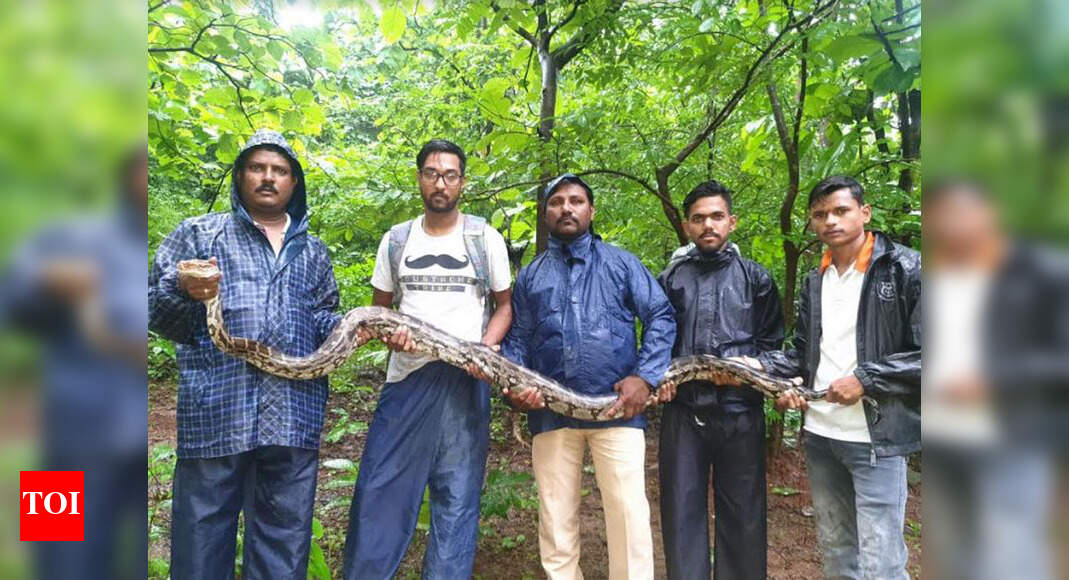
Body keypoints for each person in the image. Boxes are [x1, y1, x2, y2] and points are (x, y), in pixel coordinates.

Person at [149, 129, 341, 579]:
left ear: (294, 183)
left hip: (293, 414)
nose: (268, 178)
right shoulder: (199, 233)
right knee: (201, 538)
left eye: (280, 170)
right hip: (216, 410)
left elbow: (325, 319)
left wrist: (364, 329)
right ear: (240, 177)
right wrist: (181, 288)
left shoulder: (313, 251)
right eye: (258, 168)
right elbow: (153, 310)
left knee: (284, 541)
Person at [342, 139, 513, 580]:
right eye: (432, 173)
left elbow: (505, 306)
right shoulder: (397, 239)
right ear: (419, 178)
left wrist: (487, 348)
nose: (441, 183)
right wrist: (390, 335)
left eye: (450, 175)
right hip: (407, 378)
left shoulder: (483, 238)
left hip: (465, 379)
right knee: (380, 490)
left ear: (462, 182)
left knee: (457, 497)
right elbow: (379, 311)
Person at [502, 173, 676, 580]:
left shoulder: (621, 263)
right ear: (545, 214)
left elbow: (660, 316)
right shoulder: (531, 275)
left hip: (618, 409)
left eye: (576, 200)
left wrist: (645, 376)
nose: (567, 208)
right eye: (557, 201)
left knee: (629, 515)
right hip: (550, 414)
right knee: (555, 519)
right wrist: (516, 388)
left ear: (591, 211)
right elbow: (517, 340)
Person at [748, 175, 921, 580]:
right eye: (820, 214)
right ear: (811, 223)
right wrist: (765, 372)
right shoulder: (816, 279)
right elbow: (803, 353)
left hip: (876, 436)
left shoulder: (907, 269)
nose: (831, 221)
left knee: (882, 562)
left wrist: (866, 379)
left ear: (864, 212)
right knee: (837, 552)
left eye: (841, 210)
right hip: (822, 435)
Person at [2, 144, 149, 579]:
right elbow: (13, 307)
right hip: (66, 430)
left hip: (139, 437)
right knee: (57, 552)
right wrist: (45, 284)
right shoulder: (69, 237)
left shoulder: (171, 251)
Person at [656, 180, 784, 579]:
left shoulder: (756, 278)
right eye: (698, 218)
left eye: (716, 216)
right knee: (681, 513)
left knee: (744, 515)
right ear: (688, 226)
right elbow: (657, 346)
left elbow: (775, 348)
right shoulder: (670, 278)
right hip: (683, 413)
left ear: (732, 221)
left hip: (740, 414)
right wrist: (657, 378)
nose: (707, 225)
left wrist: (747, 371)